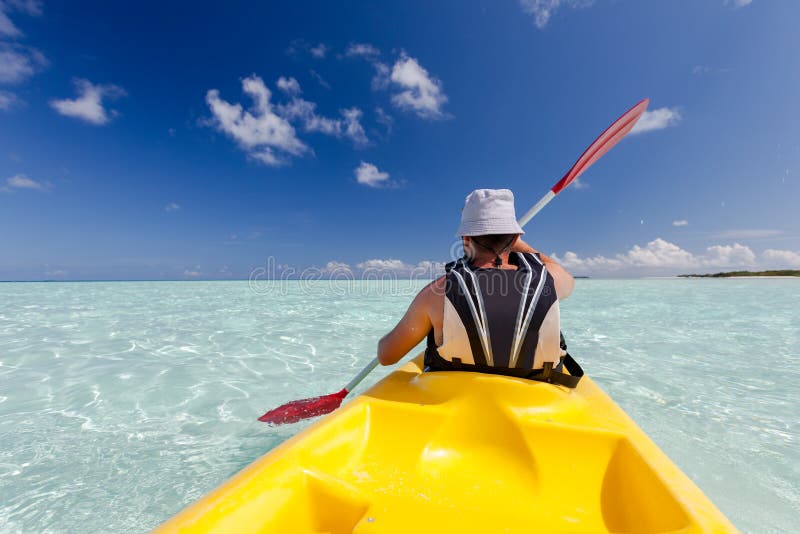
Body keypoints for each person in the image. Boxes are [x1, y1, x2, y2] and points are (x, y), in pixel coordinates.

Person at [377, 188, 581, 386]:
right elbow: (564, 275)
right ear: (516, 237)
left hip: (453, 402)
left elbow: (387, 355)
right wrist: (516, 243)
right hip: (535, 401)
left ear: (466, 238)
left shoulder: (437, 292)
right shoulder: (551, 280)